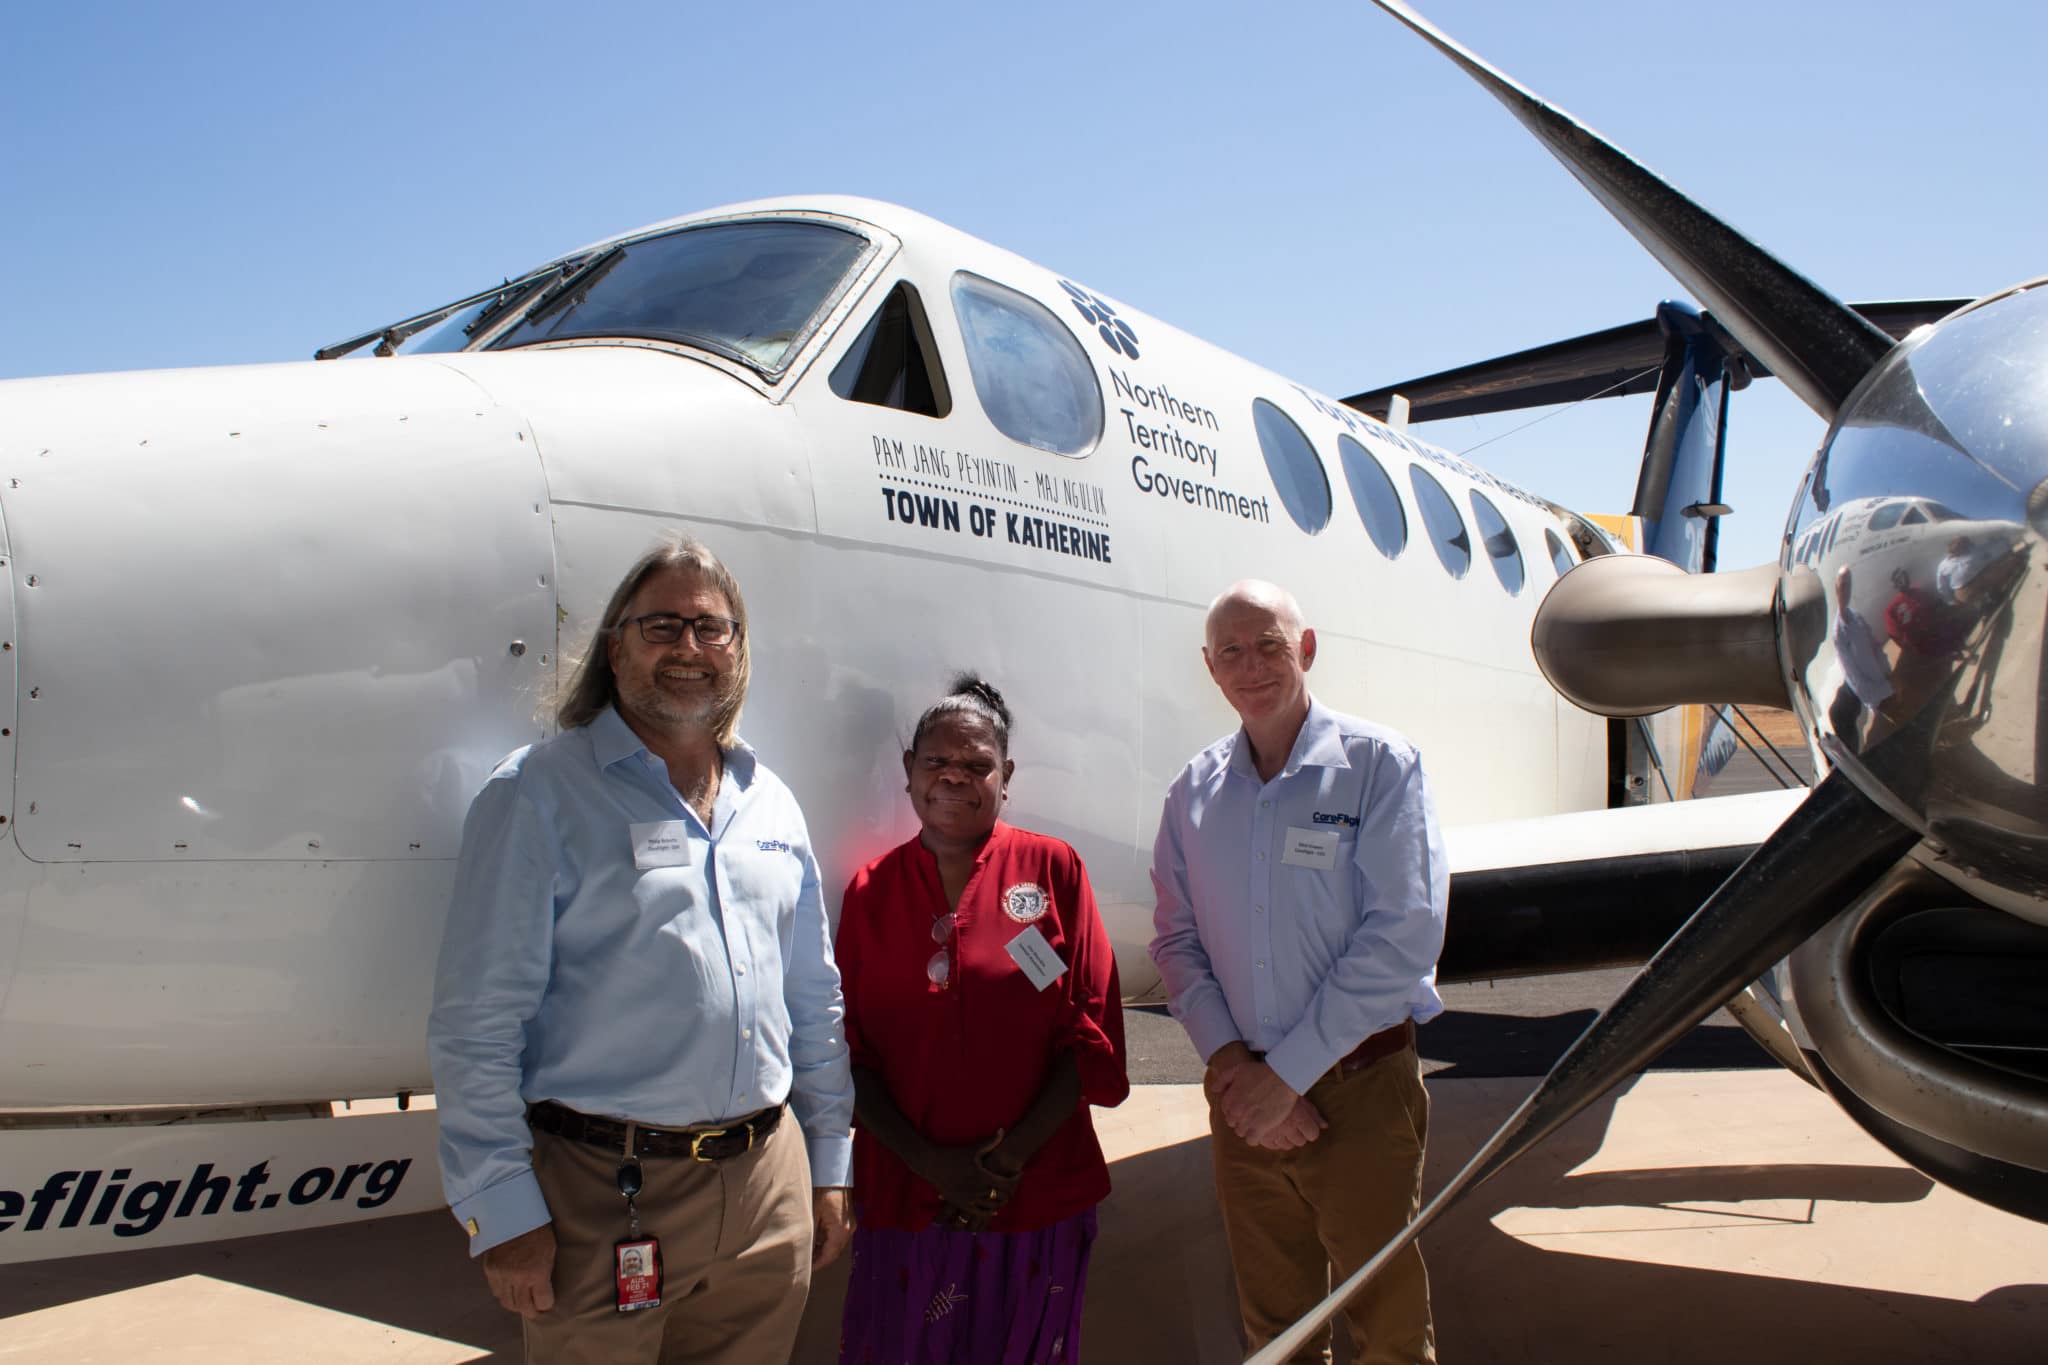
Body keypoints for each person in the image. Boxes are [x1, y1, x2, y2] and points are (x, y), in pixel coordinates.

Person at [428, 535, 854, 1364]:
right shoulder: (539, 793)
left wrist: (829, 1160)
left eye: (712, 628)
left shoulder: (771, 803)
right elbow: (477, 1020)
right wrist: (501, 1207)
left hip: (768, 1185)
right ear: (615, 646)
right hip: (599, 1195)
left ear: (738, 651)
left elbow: (814, 1001)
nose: (689, 648)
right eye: (661, 625)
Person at [1150, 580, 1443, 1365]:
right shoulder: (1193, 793)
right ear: (1211, 669)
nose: (1252, 667)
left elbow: (1404, 936)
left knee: (1386, 1328)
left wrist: (1287, 1076)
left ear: (1306, 649)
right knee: (1275, 1332)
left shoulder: (1380, 766)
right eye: (1233, 653)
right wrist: (1236, 1069)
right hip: (1243, 1100)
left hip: (1358, 1090)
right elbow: (1177, 942)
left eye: (1270, 645)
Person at [834, 675, 1128, 1364]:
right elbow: (845, 1046)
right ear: (908, 772)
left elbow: (1091, 1028)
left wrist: (1004, 1161)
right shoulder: (870, 890)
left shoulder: (1053, 870)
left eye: (976, 764)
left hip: (1037, 1190)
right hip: (910, 1195)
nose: (954, 777)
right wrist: (933, 1165)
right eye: (936, 761)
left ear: (1007, 775)